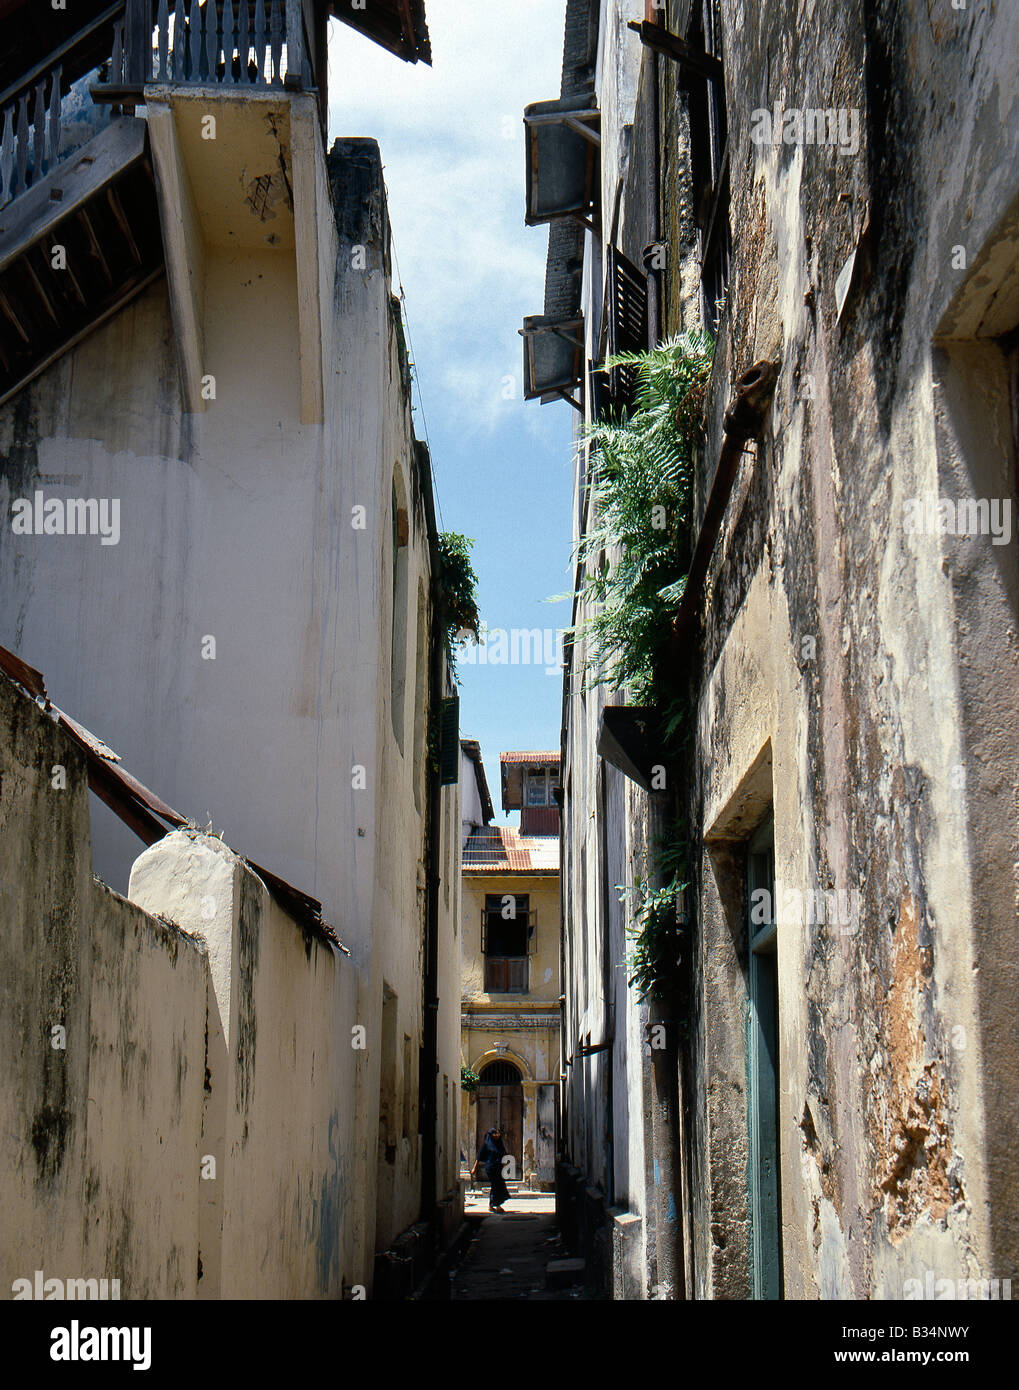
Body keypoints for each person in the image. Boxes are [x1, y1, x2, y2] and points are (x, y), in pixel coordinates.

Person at [472, 1127, 510, 1212]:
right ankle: (497, 1206)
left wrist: (504, 1165)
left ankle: (492, 1205)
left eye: (497, 1133)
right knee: (496, 1185)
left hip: (499, 1167)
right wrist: (474, 1168)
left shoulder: (499, 1144)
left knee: (498, 1185)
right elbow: (479, 1157)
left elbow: (504, 1154)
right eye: (494, 1133)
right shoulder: (487, 1144)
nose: (497, 1135)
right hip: (491, 1168)